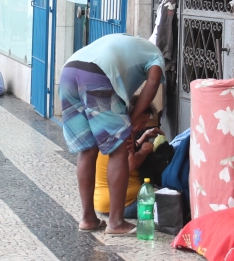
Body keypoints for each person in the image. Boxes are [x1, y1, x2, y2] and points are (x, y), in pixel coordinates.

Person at [60, 33, 164, 236]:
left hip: (69, 71)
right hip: (96, 75)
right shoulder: (155, 55)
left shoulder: (124, 41)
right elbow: (152, 82)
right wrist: (133, 119)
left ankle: (88, 218)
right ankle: (116, 222)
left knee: (87, 149)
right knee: (117, 150)